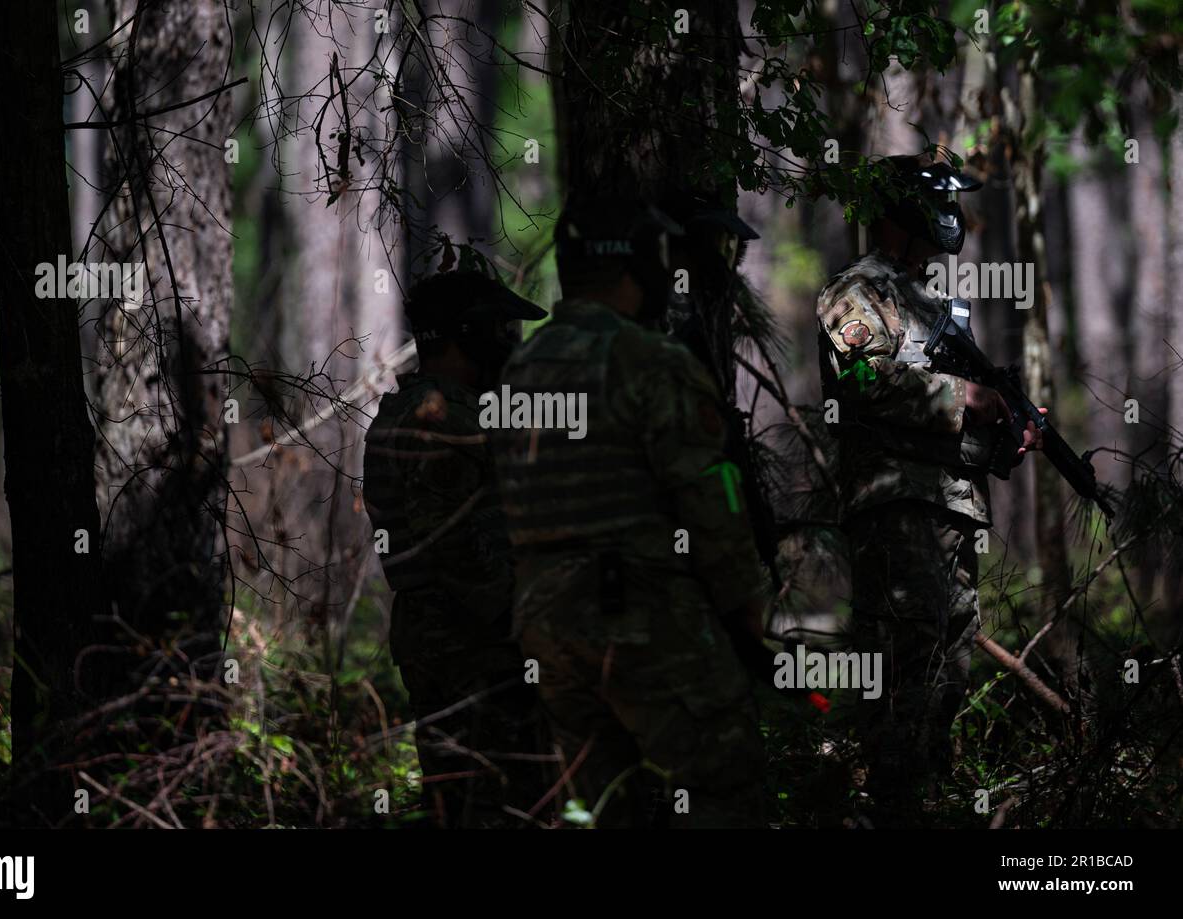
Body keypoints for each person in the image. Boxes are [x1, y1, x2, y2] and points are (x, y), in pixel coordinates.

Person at [490, 198, 770, 828]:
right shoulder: (651, 360)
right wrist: (746, 613)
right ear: (634, 267)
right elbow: (710, 497)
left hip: (545, 625)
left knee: (607, 806)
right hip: (639, 610)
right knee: (724, 785)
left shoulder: (518, 371)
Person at [815, 154, 1044, 825]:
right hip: (898, 512)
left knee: (947, 674)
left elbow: (963, 424)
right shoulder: (854, 292)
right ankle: (885, 808)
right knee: (900, 676)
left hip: (952, 511)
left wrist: (1009, 430)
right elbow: (863, 382)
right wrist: (965, 394)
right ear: (906, 212)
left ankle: (922, 804)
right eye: (938, 204)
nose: (952, 219)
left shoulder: (929, 302)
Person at [362, 270, 547, 827]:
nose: (509, 342)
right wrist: (522, 618)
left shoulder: (445, 408)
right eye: (499, 329)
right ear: (467, 334)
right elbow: (451, 544)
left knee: (471, 799)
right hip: (472, 645)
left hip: (456, 638)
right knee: (495, 802)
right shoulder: (436, 416)